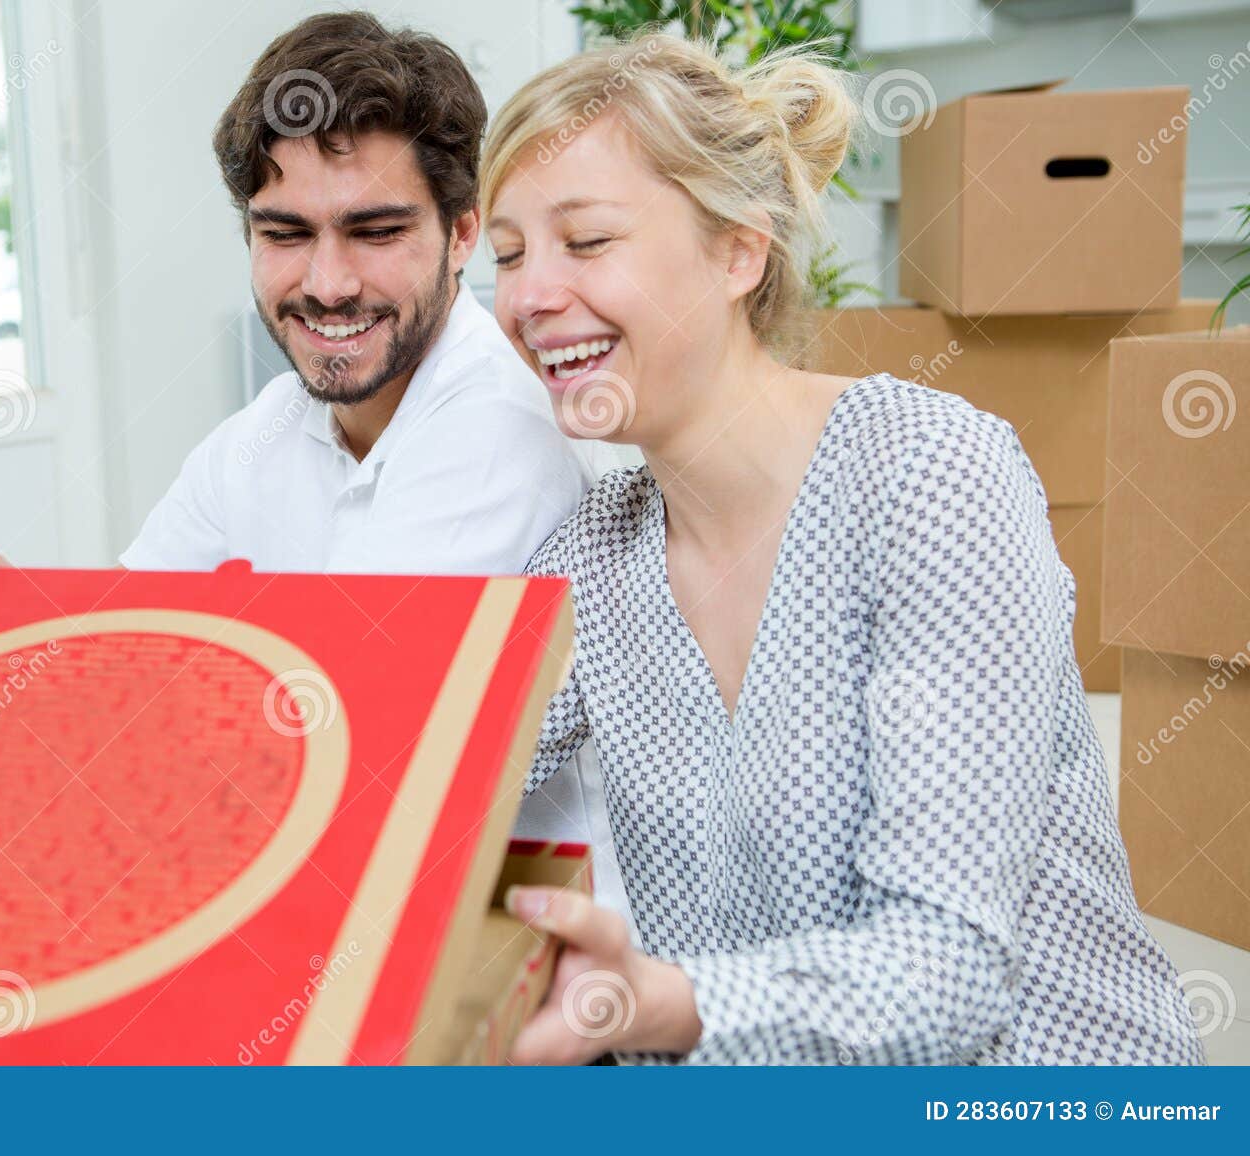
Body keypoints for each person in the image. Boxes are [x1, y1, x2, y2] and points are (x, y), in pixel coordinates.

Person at [480, 34, 1204, 1065]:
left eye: (585, 241)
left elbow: (947, 972)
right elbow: (433, 781)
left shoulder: (928, 476)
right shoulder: (590, 561)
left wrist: (661, 1005)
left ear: (739, 251)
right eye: (509, 255)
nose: (527, 298)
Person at [0, 12, 625, 902]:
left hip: (493, 921)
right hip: (343, 884)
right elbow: (133, 639)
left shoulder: (499, 429)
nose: (327, 285)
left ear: (462, 235)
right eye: (286, 234)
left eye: (375, 231)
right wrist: (27, 633)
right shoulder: (270, 427)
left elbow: (335, 760)